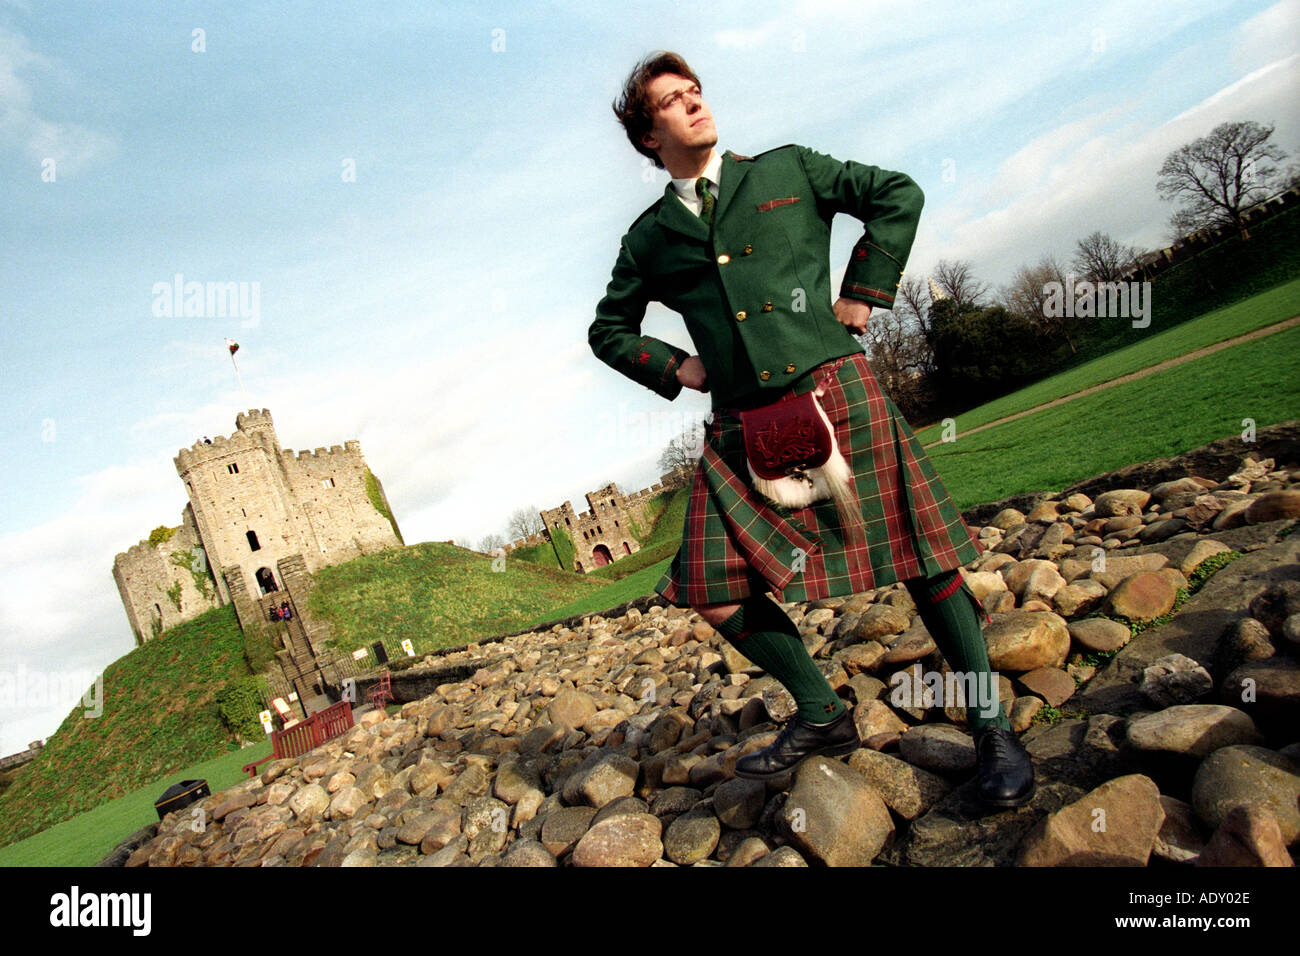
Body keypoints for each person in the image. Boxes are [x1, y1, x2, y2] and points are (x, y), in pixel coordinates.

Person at [589, 52, 1033, 808]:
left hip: (836, 390)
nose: (694, 103)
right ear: (648, 137)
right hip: (740, 424)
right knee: (709, 588)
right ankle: (824, 713)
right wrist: (678, 366)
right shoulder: (650, 237)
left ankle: (992, 728)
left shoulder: (787, 169)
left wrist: (863, 292)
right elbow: (608, 329)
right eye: (672, 100)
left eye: (696, 91)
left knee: (922, 556)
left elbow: (897, 194)